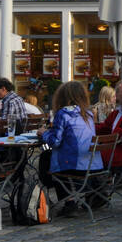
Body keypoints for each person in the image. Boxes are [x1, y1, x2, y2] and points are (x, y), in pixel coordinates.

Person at [37, 81, 104, 215]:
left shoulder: (63, 114)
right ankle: (89, 195)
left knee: (47, 158)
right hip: (94, 164)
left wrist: (44, 133)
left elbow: (55, 142)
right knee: (56, 159)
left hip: (75, 166)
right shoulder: (89, 114)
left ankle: (69, 202)